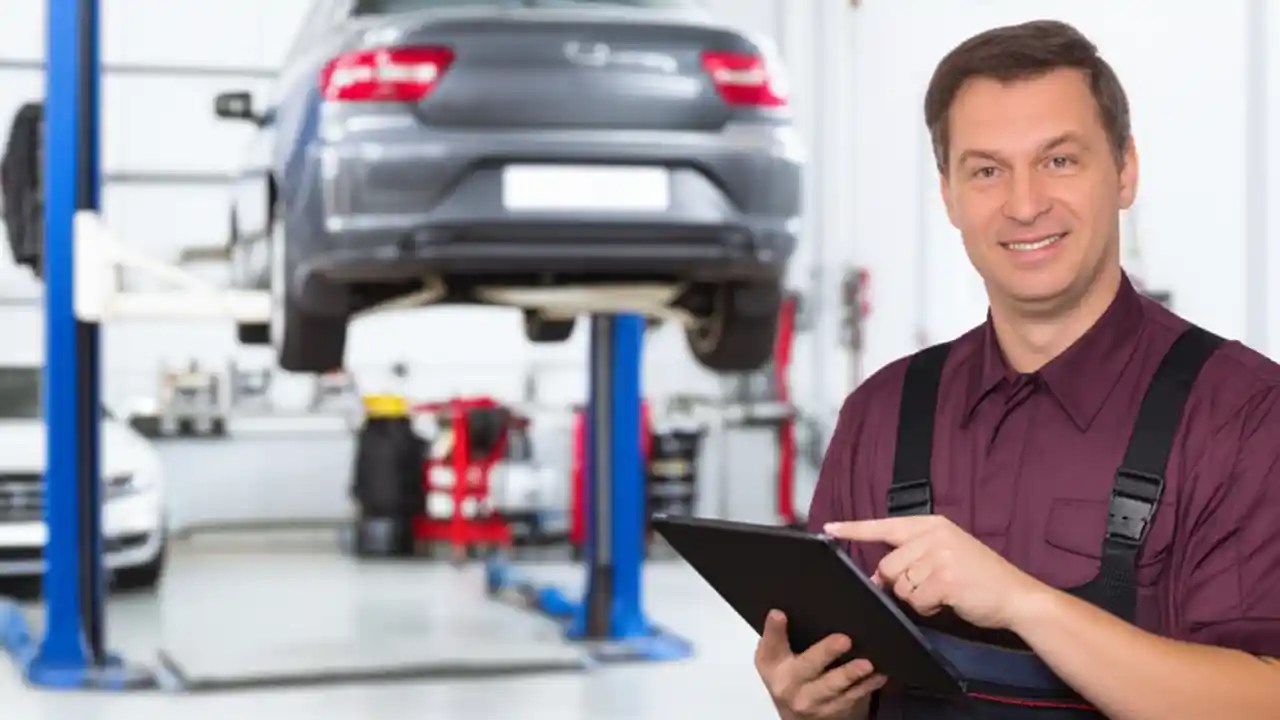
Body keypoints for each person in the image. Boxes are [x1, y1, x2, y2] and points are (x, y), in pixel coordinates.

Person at [754, 18, 1280, 720]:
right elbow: (846, 688)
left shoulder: (1245, 417)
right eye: (986, 171)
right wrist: (814, 705)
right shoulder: (880, 414)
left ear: (1125, 170)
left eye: (1059, 160)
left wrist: (1020, 602)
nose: (1025, 204)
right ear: (949, 194)